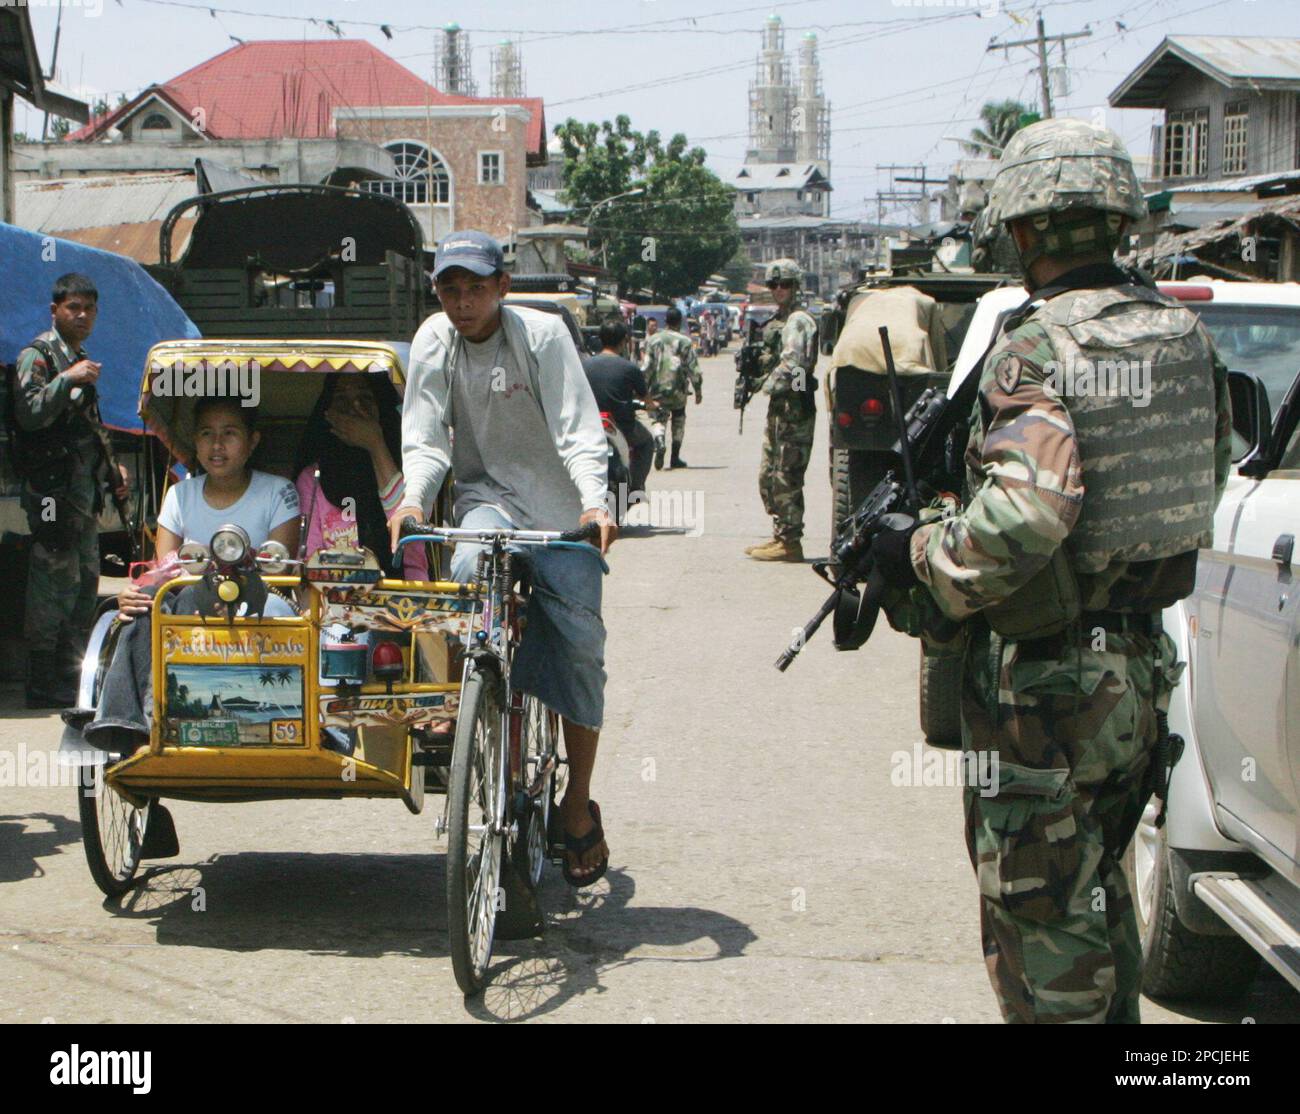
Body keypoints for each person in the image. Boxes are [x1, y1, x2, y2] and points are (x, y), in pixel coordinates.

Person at [868, 119, 1233, 1024]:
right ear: (1115, 217)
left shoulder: (1037, 347)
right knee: (1101, 895)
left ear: (1024, 229)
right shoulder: (1182, 335)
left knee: (1041, 929)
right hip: (1142, 674)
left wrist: (919, 551)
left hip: (1047, 692)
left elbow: (1029, 512)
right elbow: (1209, 472)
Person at [391, 229, 617, 888]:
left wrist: (595, 505)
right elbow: (427, 437)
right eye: (450, 288)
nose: (463, 302)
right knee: (463, 572)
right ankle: (477, 708)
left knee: (579, 647)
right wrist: (414, 500)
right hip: (485, 500)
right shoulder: (435, 339)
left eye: (476, 288)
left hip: (557, 511)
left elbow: (580, 429)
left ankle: (576, 807)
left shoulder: (542, 336)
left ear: (502, 288)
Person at [84, 397, 300, 748]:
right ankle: (122, 718)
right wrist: (136, 591)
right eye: (206, 434)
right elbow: (164, 569)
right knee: (144, 605)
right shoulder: (180, 495)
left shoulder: (278, 492)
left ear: (252, 441)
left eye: (229, 433)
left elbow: (279, 567)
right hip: (189, 599)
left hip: (256, 598)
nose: (216, 445)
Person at [10, 273, 128, 708]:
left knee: (82, 585)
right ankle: (40, 682)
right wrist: (69, 379)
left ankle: (71, 676)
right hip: (49, 495)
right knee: (50, 584)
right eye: (72, 308)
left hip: (80, 495)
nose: (81, 315)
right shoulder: (38, 357)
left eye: (88, 309)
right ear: (55, 310)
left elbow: (86, 427)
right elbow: (30, 413)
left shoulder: (80, 358)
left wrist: (111, 466)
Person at [294, 373, 428, 580]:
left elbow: (408, 539)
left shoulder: (415, 469)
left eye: (365, 398)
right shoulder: (313, 479)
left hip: (403, 599)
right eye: (341, 400)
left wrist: (376, 444)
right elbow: (310, 565)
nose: (354, 408)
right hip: (333, 602)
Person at [744, 259, 819, 562]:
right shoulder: (782, 319)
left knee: (786, 475)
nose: (778, 290)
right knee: (769, 475)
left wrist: (764, 385)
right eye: (773, 285)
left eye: (784, 284)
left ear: (796, 286)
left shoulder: (799, 320)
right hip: (782, 407)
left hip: (794, 409)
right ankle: (781, 534)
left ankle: (790, 542)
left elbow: (794, 365)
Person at [584, 318, 653, 500]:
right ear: (623, 341)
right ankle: (636, 488)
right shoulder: (630, 368)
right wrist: (652, 406)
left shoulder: (584, 366)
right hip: (623, 427)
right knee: (647, 443)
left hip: (589, 426)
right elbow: (646, 399)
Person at [642, 306, 701, 470]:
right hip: (679, 390)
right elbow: (693, 369)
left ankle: (659, 440)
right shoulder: (685, 342)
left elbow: (646, 367)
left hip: (657, 388)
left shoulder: (653, 340)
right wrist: (698, 391)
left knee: (658, 418)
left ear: (665, 321)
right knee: (679, 419)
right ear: (680, 322)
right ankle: (675, 458)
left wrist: (641, 389)